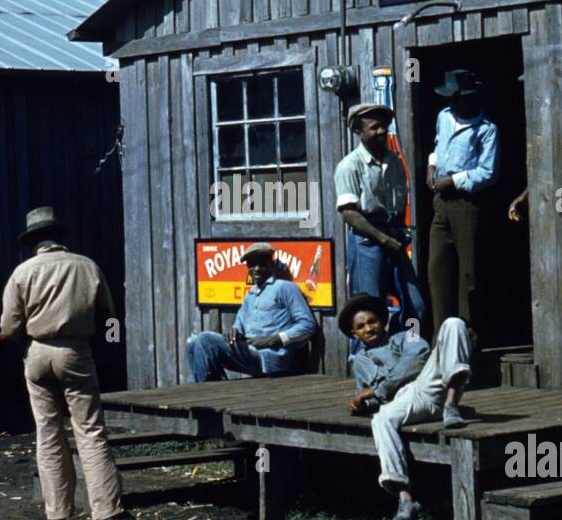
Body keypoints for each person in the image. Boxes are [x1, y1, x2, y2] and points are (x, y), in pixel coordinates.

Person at [0, 206, 139, 520]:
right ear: (60, 237)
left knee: (47, 432)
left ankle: (57, 514)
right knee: (89, 430)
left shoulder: (22, 273)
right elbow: (108, 315)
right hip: (76, 350)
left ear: (32, 241)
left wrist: (27, 346)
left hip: (37, 352)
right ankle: (107, 511)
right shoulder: (86, 266)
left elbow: (8, 326)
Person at [340, 293, 472, 520]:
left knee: (453, 323)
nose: (369, 328)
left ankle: (451, 404)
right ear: (354, 334)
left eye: (373, 321)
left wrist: (375, 390)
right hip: (403, 401)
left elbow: (418, 360)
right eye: (361, 326)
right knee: (380, 420)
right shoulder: (358, 362)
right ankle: (405, 499)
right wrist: (358, 405)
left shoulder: (408, 332)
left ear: (383, 321)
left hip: (429, 385)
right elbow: (371, 400)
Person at [334, 102, 426, 348]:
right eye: (374, 128)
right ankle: (364, 361)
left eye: (384, 126)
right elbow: (349, 213)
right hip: (367, 241)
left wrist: (397, 234)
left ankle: (407, 351)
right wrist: (383, 239)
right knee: (367, 309)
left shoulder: (394, 160)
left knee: (414, 302)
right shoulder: (349, 166)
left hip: (393, 237)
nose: (381, 132)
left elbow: (398, 203)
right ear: (358, 131)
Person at [426, 69, 499, 338]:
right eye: (451, 99)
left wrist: (454, 180)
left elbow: (488, 172)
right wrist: (431, 167)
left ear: (469, 97)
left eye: (458, 99)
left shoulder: (486, 129)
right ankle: (441, 336)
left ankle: (469, 335)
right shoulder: (444, 117)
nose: (454, 104)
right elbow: (437, 145)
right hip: (440, 203)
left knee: (469, 274)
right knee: (437, 268)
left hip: (467, 204)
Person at [187, 242, 317, 381]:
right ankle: (208, 387)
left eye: (262, 264)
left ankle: (205, 390)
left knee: (205, 339)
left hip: (271, 358)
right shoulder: (250, 295)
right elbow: (239, 327)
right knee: (193, 342)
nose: (256, 269)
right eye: (252, 264)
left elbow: (308, 326)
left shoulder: (285, 288)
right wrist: (234, 332)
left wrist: (273, 340)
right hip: (250, 353)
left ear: (271, 264)